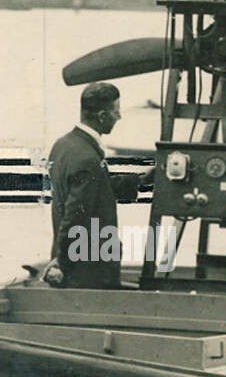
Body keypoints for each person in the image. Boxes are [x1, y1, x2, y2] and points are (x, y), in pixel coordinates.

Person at [45, 82, 150, 289]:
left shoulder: (63, 145)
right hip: (88, 271)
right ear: (102, 116)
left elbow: (96, 188)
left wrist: (141, 180)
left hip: (74, 264)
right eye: (116, 112)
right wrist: (62, 264)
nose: (118, 117)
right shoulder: (87, 158)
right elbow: (75, 215)